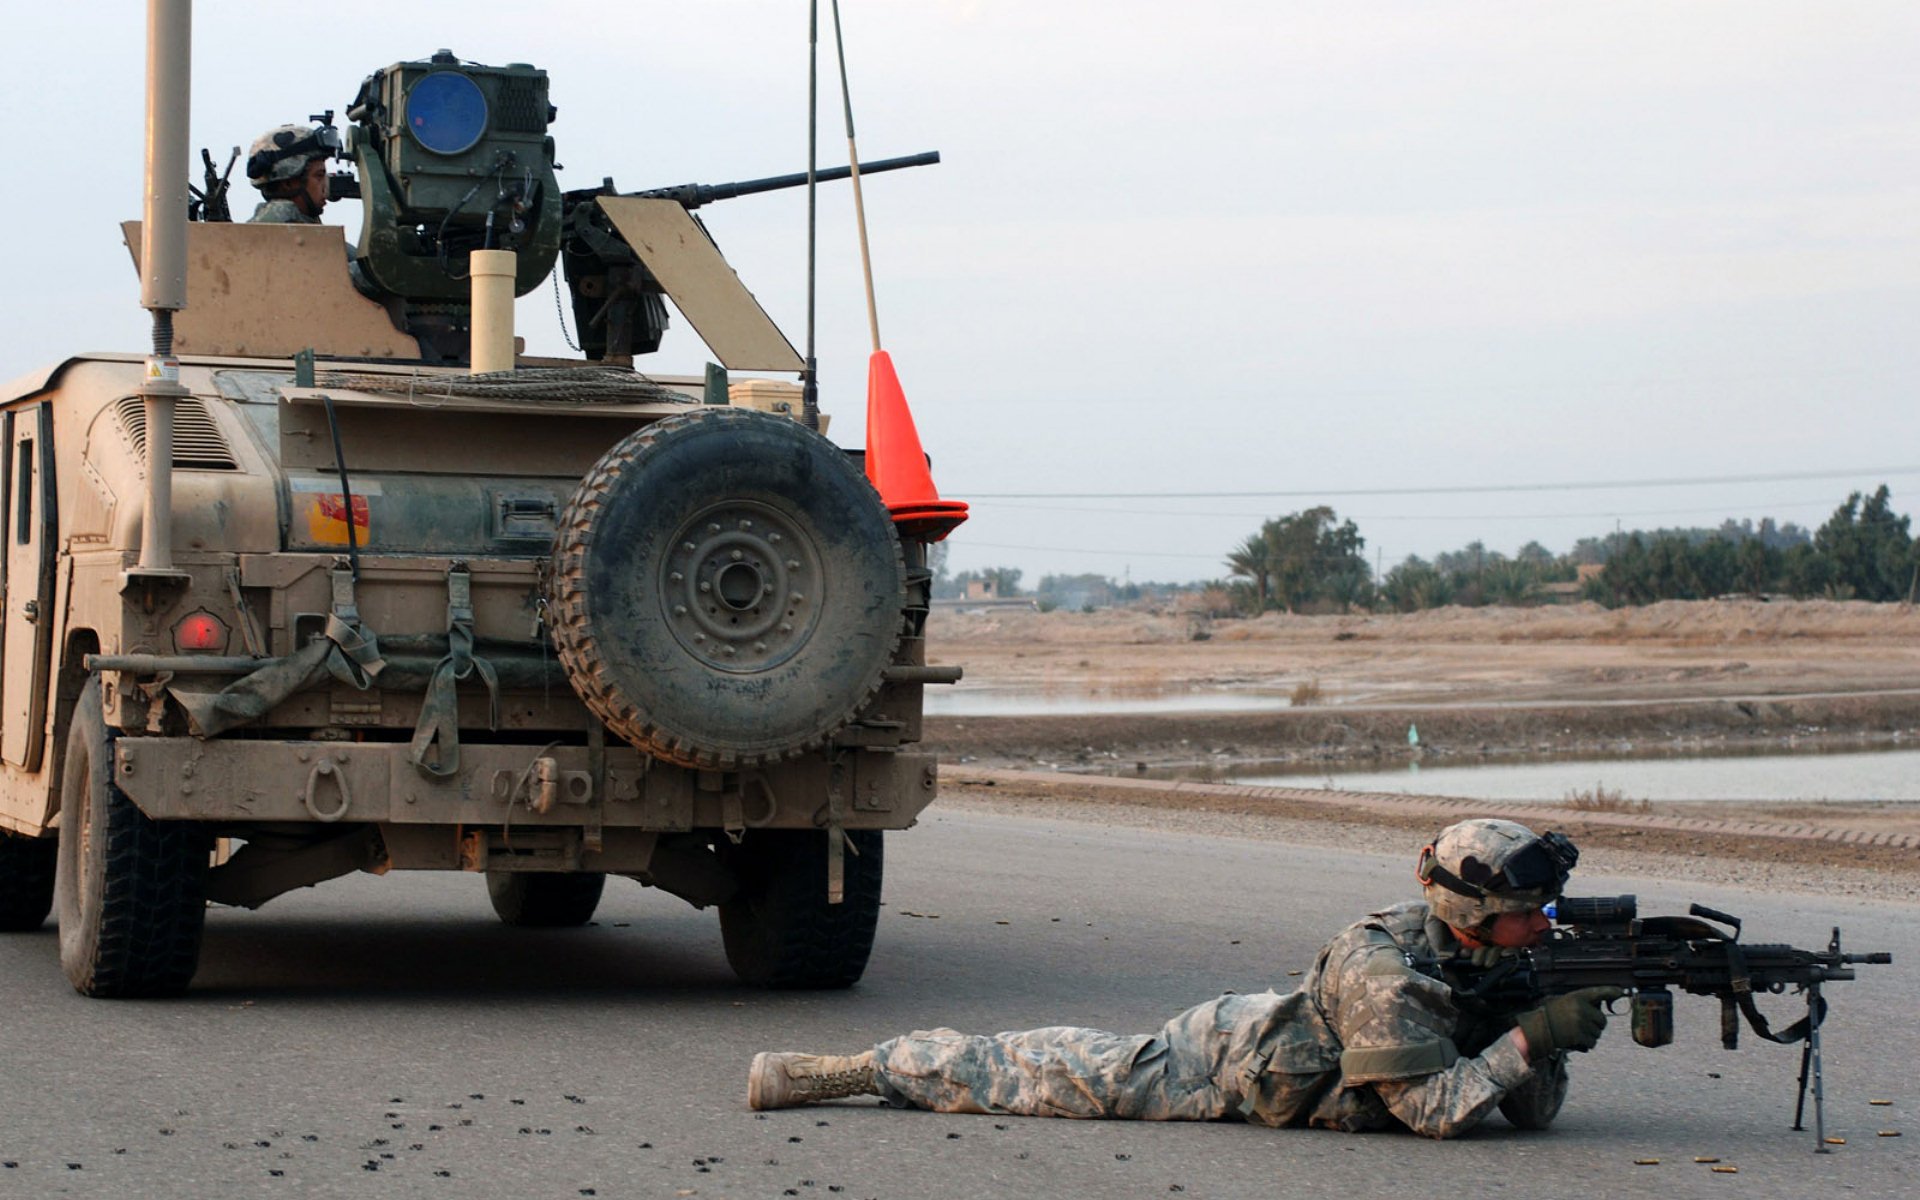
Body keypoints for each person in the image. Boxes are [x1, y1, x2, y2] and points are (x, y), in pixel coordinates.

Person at [745, 818, 1623, 1139]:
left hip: (1298, 1055)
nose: (1545, 924)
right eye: (1531, 911)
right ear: (1467, 911)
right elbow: (1433, 1112)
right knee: (1034, 1072)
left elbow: (1528, 1113)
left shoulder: (1497, 957)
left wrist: (1538, 1025)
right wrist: (1531, 1038)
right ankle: (857, 1070)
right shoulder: (1384, 972)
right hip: (1220, 1062)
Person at [245, 123, 336, 225]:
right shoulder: (281, 234)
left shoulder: (304, 230)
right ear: (288, 183)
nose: (326, 186)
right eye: (319, 176)